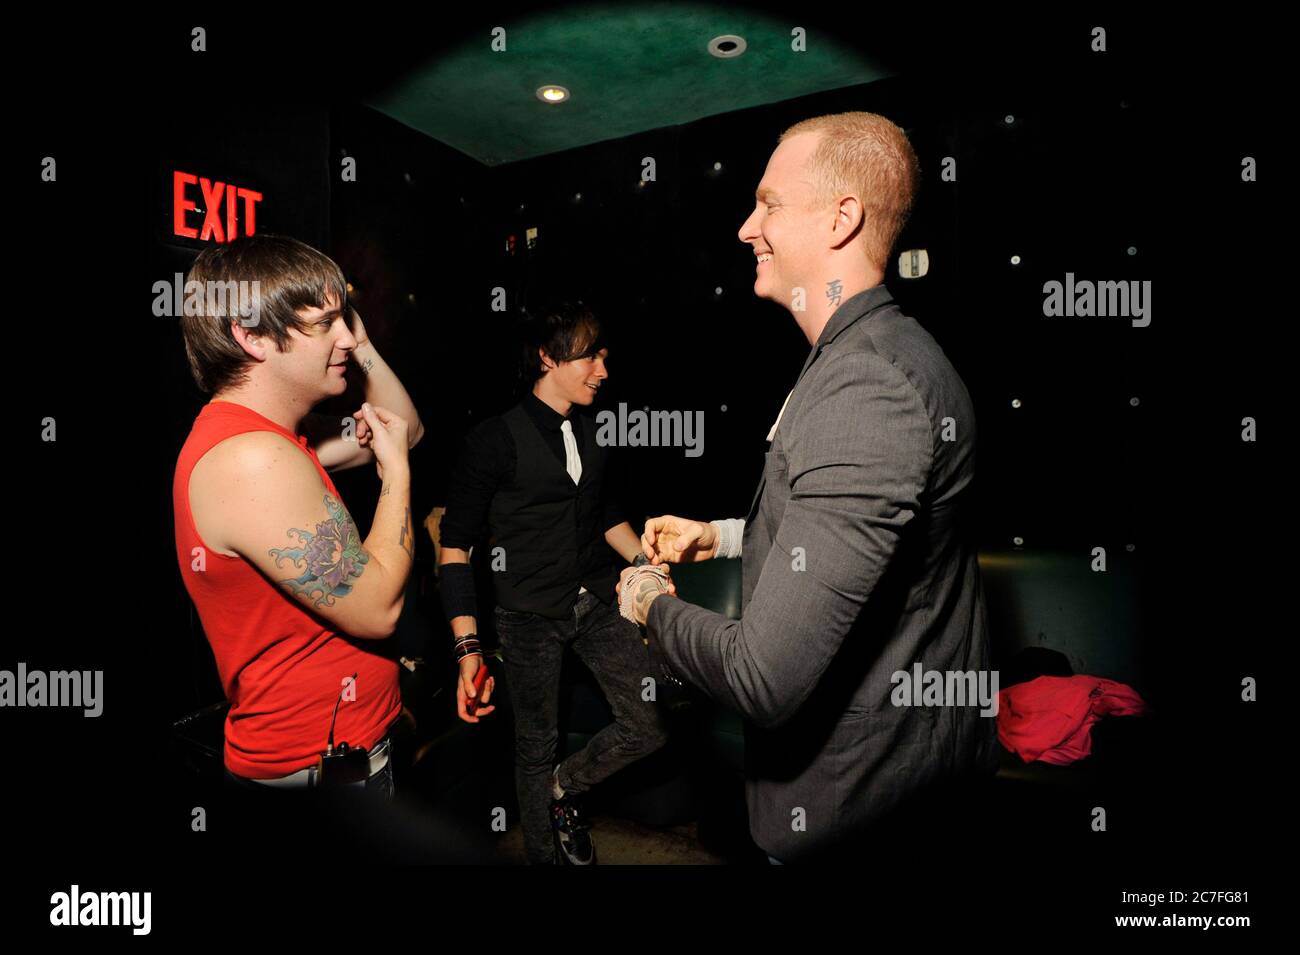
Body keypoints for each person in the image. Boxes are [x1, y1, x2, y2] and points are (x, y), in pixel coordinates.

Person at [621, 112, 1000, 864]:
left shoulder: (868, 384)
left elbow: (762, 676)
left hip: (861, 805)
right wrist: (718, 537)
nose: (746, 227)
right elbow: (861, 530)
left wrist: (649, 604)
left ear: (840, 218)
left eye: (768, 203)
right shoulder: (867, 350)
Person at [172, 232, 424, 800]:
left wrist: (361, 342)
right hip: (315, 779)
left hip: (347, 755)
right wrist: (397, 476)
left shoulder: (280, 437)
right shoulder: (251, 459)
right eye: (327, 323)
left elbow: (403, 428)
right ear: (252, 335)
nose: (346, 336)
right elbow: (378, 608)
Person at [438, 301, 670, 865]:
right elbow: (455, 548)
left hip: (596, 598)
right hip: (527, 615)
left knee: (649, 724)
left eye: (603, 357)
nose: (602, 371)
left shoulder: (594, 429)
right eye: (590, 357)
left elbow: (605, 514)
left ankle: (563, 788)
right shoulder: (494, 439)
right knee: (534, 747)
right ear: (547, 357)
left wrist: (648, 566)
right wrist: (468, 648)